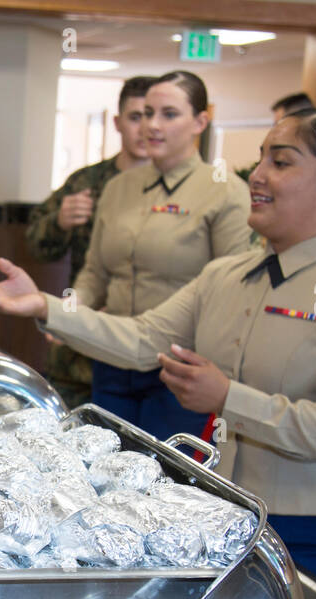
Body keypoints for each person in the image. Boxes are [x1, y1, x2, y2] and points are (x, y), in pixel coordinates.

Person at [0, 109, 316, 599]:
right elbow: (145, 339)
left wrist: (229, 398)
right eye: (260, 160)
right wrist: (45, 305)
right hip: (228, 511)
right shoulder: (226, 275)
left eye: (281, 163)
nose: (256, 175)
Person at [73, 70, 252, 443]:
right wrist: (68, 312)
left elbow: (235, 289)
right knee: (105, 469)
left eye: (169, 114)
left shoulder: (225, 191)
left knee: (166, 482)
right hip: (112, 354)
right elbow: (95, 272)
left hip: (178, 368)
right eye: (147, 113)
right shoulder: (118, 187)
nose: (151, 125)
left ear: (200, 121)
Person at [26, 75, 157, 405]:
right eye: (135, 117)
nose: (145, 128)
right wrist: (59, 222)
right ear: (117, 122)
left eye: (154, 116)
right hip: (79, 352)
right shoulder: (88, 181)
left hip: (153, 347)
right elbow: (36, 245)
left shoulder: (181, 192)